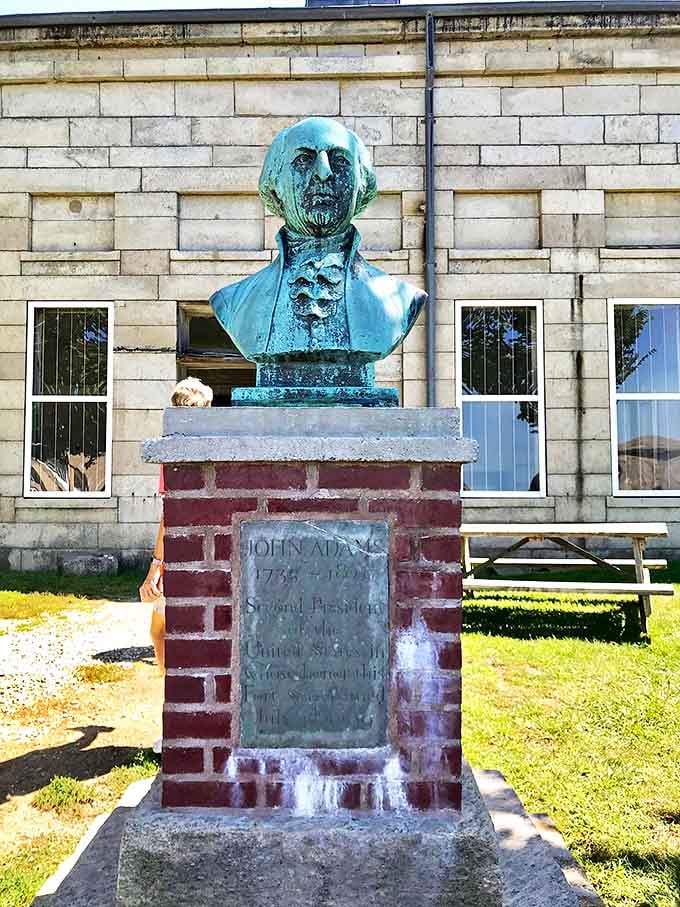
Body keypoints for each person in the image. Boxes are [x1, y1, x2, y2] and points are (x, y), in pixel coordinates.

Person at [139, 377, 213, 752]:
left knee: (167, 634)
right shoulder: (208, 449)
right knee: (174, 634)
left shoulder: (175, 454)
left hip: (183, 557)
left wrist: (156, 567)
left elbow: (169, 516)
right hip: (205, 554)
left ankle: (177, 727)